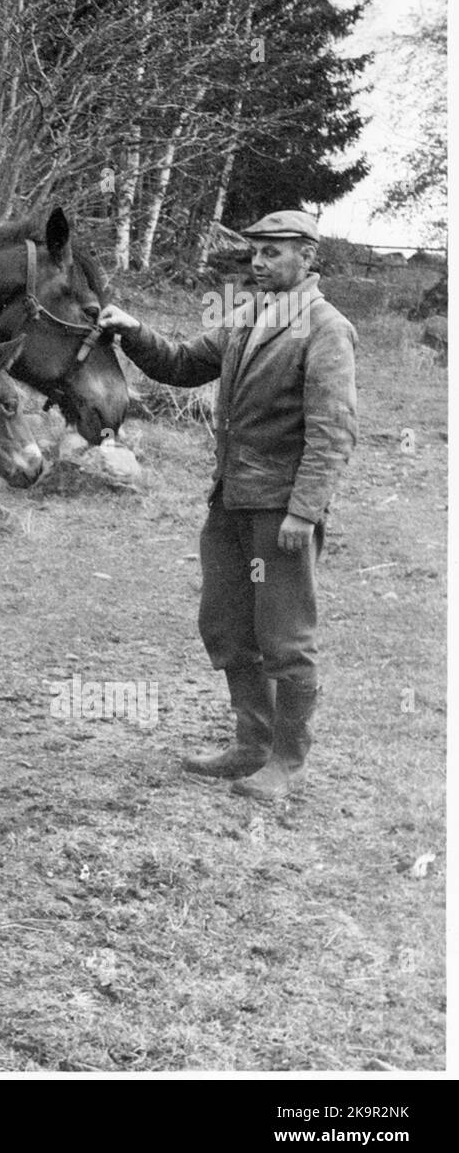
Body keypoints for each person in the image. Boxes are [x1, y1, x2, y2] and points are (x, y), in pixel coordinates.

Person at [98, 211, 357, 800]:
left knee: (286, 639)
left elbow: (333, 431)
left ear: (307, 258)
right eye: (255, 253)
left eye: (272, 253)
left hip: (278, 510)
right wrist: (131, 329)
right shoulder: (246, 317)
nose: (259, 263)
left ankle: (286, 762)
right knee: (228, 625)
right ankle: (251, 743)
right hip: (230, 503)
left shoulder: (325, 328)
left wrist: (304, 512)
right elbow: (184, 364)